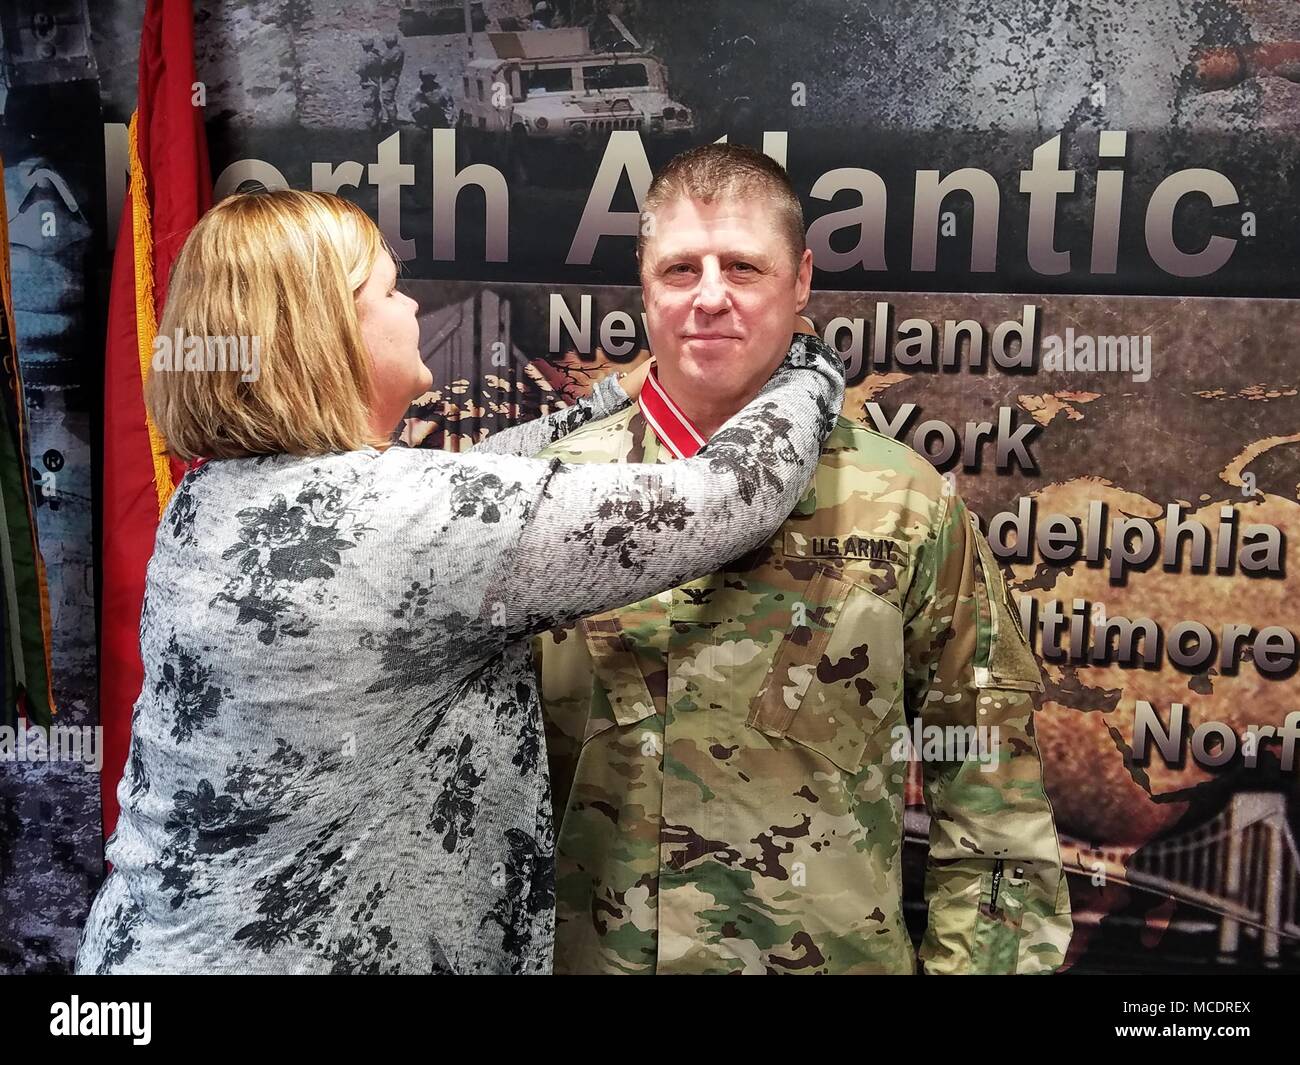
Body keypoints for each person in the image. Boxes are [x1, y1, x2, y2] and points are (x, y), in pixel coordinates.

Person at [72, 189, 843, 974]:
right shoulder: (411, 523)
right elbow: (724, 499)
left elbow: (450, 492)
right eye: (389, 289)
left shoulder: (213, 496)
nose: (412, 306)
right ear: (328, 334)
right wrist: (808, 367)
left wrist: (614, 398)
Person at [535, 143, 1073, 974]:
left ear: (802, 281)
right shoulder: (548, 499)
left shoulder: (905, 506)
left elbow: (987, 781)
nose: (710, 297)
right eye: (681, 269)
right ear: (643, 285)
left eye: (743, 267)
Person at [379, 33, 405, 129]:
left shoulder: (395, 52)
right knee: (386, 98)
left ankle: (393, 122)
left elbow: (385, 63)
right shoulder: (394, 50)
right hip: (388, 77)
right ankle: (387, 119)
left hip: (391, 78)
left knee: (387, 99)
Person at [356, 37, 382, 131]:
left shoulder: (367, 58)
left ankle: (374, 124)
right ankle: (378, 120)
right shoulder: (378, 54)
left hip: (370, 82)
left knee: (371, 103)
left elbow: (361, 70)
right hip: (378, 80)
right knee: (376, 101)